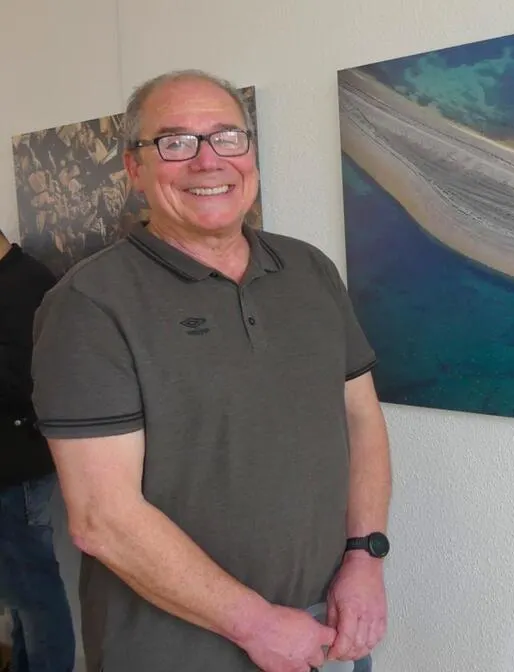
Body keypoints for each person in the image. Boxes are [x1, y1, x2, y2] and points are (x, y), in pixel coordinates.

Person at [30, 69, 392, 672]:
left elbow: (361, 419)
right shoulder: (90, 304)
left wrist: (365, 557)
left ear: (249, 153)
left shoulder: (308, 270)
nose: (207, 161)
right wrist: (256, 625)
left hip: (325, 626)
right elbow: (103, 517)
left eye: (226, 136)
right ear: (134, 169)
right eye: (174, 142)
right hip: (173, 648)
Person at [0, 227, 77, 672]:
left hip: (20, 466)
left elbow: (33, 384)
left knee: (35, 593)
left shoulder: (26, 286)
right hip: (12, 463)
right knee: (20, 593)